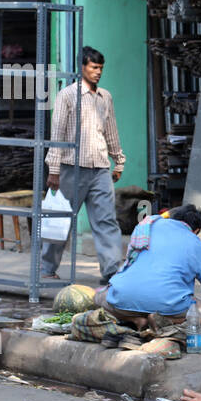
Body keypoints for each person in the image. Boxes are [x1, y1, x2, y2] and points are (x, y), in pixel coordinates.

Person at [42, 46, 125, 285]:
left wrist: (118, 161)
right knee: (60, 219)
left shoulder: (105, 97)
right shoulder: (67, 95)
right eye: (93, 67)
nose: (98, 72)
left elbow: (111, 132)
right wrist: (54, 169)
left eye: (100, 68)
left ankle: (111, 271)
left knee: (106, 220)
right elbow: (56, 133)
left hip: (100, 168)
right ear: (82, 68)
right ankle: (48, 268)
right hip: (70, 168)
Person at [97, 204, 201, 330]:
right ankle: (168, 320)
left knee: (100, 298)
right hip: (169, 305)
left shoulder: (145, 227)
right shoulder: (197, 245)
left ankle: (135, 319)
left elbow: (129, 263)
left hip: (124, 299)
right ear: (196, 230)